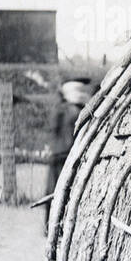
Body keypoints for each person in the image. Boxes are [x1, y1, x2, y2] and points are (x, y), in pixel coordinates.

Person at [46, 78, 92, 230]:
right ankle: (55, 225)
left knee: (57, 191)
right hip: (65, 155)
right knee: (61, 191)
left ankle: (53, 225)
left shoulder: (63, 109)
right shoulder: (73, 110)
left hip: (62, 154)